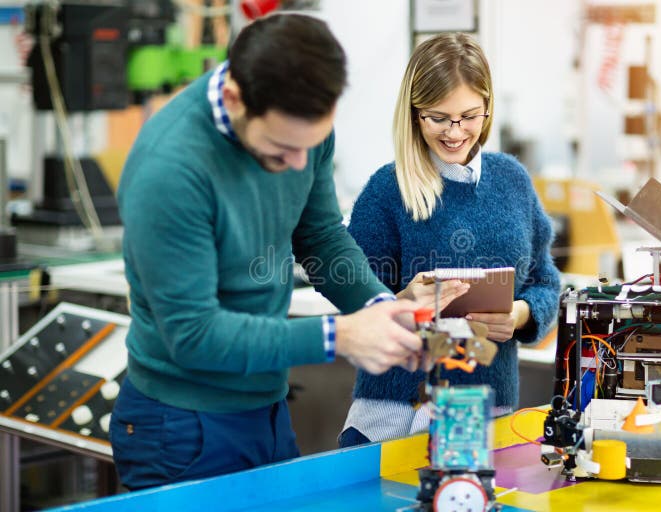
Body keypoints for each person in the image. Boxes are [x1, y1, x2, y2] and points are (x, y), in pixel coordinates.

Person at [111, 13, 424, 490]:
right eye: (281, 151)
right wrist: (339, 336)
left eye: (312, 145)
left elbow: (319, 236)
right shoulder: (170, 170)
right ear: (235, 99)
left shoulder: (301, 122)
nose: (298, 164)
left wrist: (382, 308)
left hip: (267, 407)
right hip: (180, 424)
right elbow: (193, 334)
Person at [339, 32, 561, 447]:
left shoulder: (512, 180)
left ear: (488, 107)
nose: (456, 132)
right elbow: (354, 298)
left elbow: (546, 282)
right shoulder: (388, 189)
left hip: (487, 415)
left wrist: (520, 314)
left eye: (469, 115)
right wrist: (400, 304)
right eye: (438, 117)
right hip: (394, 418)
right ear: (414, 113)